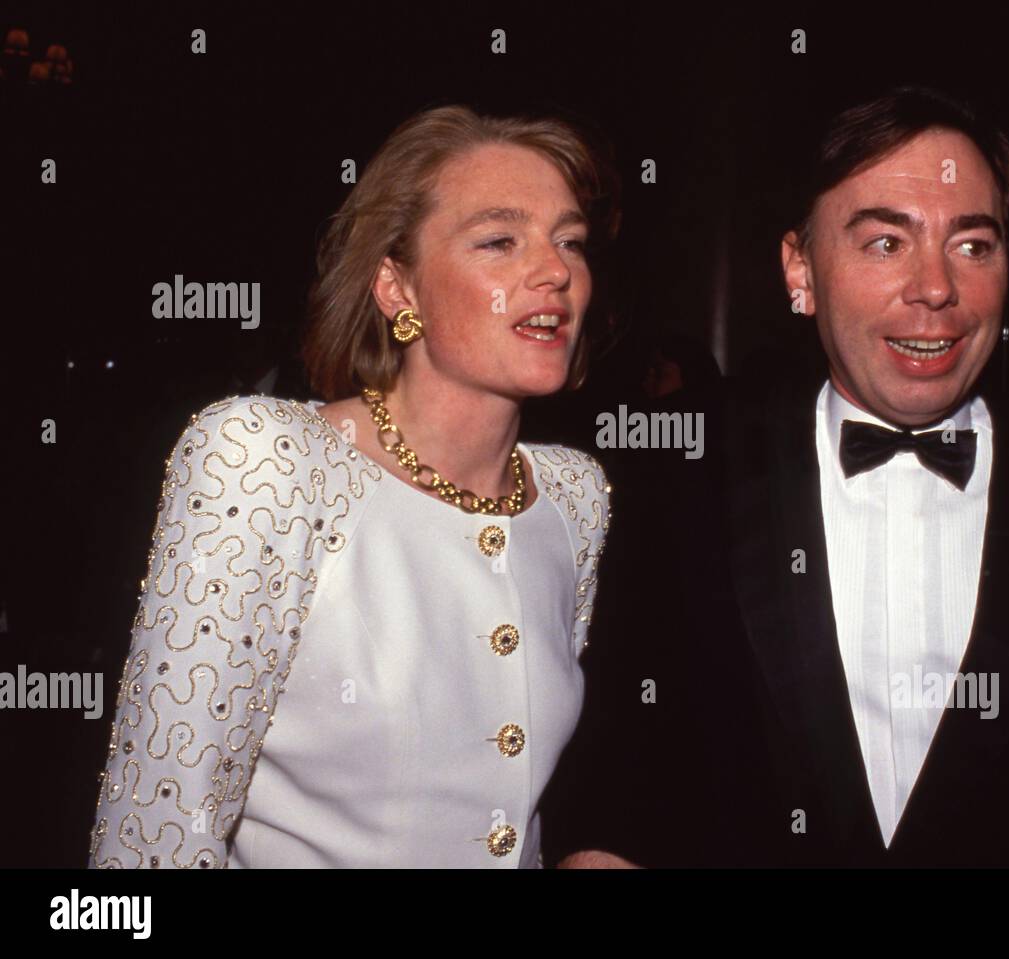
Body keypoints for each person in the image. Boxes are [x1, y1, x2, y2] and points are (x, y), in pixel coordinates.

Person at [543, 86, 1009, 868]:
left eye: (973, 244)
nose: (936, 287)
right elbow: (615, 785)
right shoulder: (681, 478)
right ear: (801, 270)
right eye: (885, 243)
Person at [87, 105, 617, 868]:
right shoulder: (269, 460)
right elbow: (154, 833)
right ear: (398, 289)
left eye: (570, 241)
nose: (557, 271)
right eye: (500, 240)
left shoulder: (573, 497)